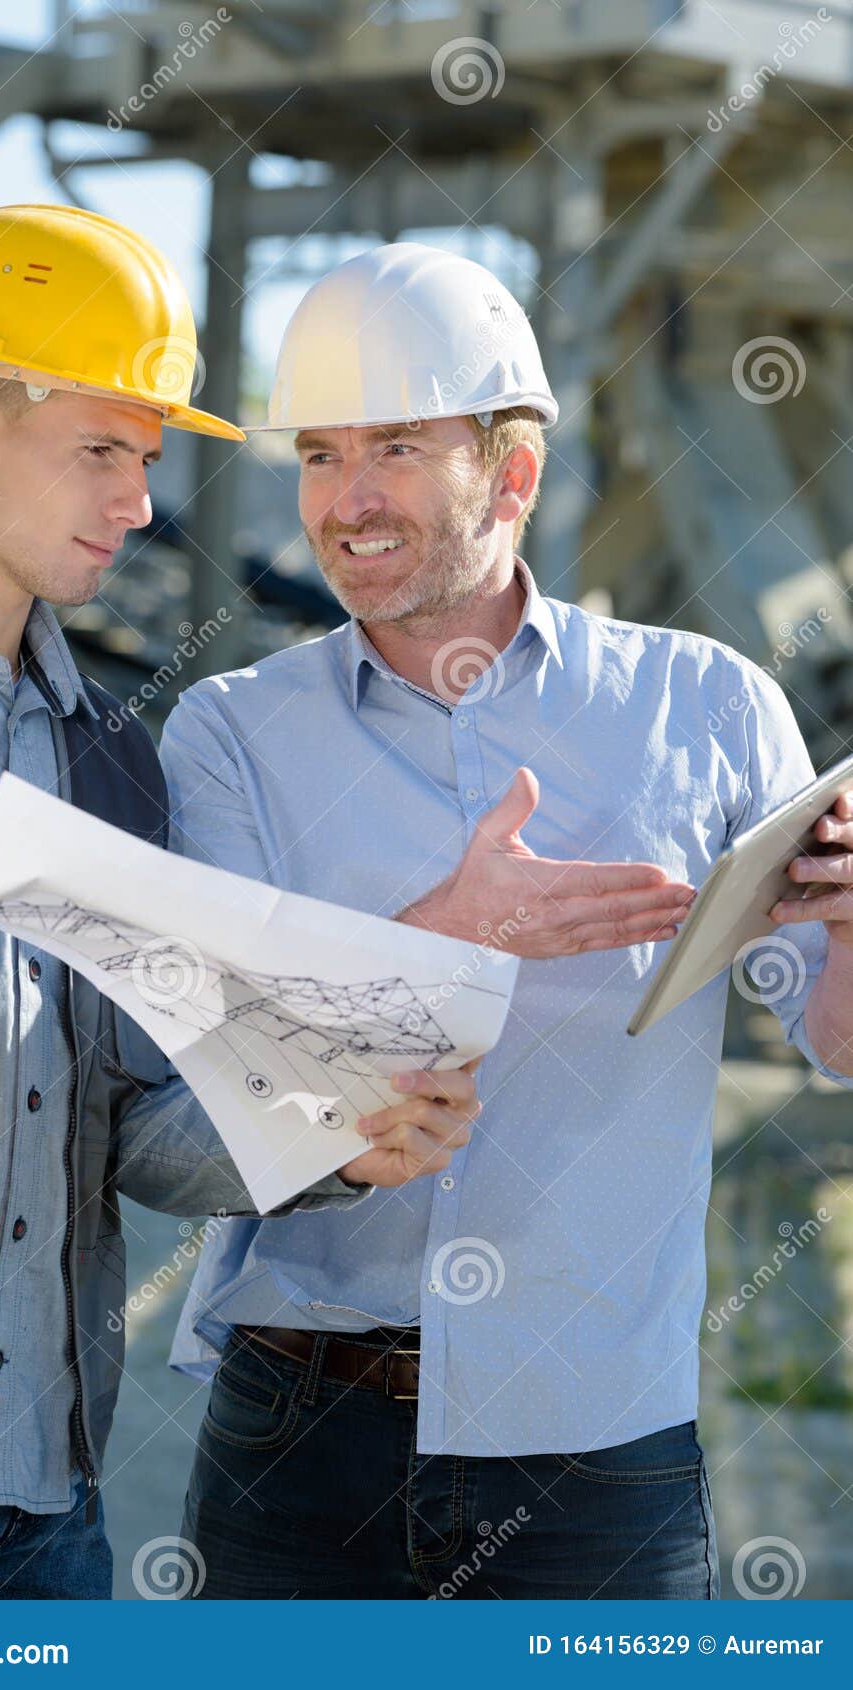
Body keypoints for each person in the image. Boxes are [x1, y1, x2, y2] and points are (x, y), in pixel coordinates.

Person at [0, 211, 480, 1601]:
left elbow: (139, 1131)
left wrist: (340, 1123)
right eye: (104, 448)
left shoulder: (114, 760)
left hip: (49, 1513)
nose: (141, 502)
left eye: (149, 460)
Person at [164, 242, 853, 1600]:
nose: (347, 501)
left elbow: (834, 1042)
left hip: (596, 1453)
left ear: (514, 472)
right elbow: (214, 1091)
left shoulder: (710, 707)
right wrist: (447, 933)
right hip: (300, 1443)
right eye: (320, 455)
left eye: (397, 449)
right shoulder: (227, 734)